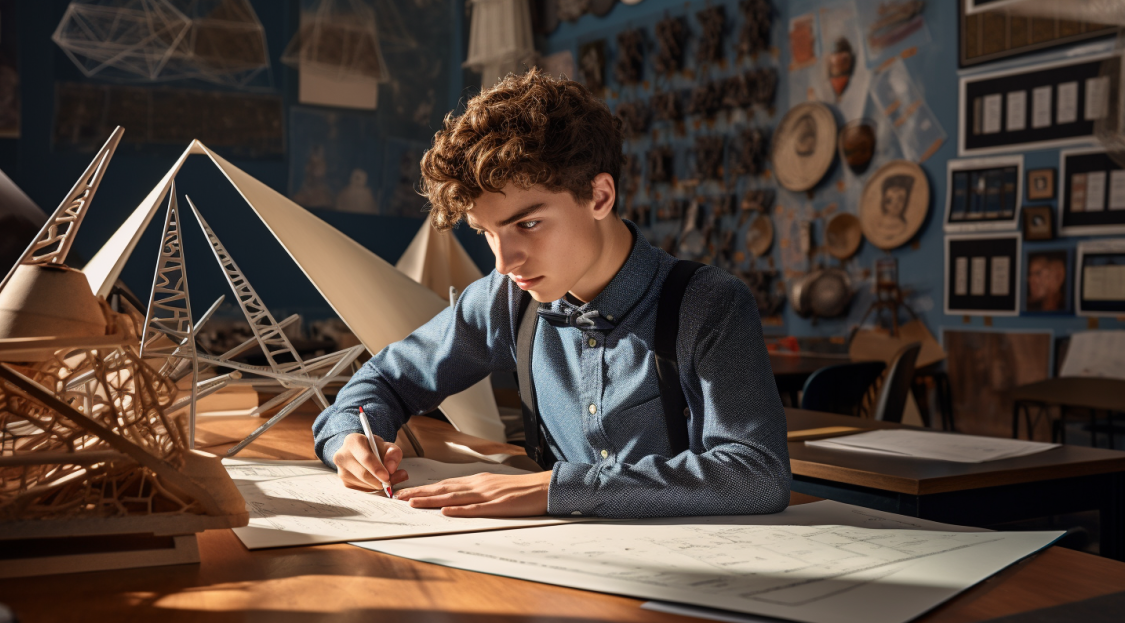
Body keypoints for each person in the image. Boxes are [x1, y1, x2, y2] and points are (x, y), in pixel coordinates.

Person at [312, 70, 790, 519]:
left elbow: (756, 473)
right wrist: (349, 437)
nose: (504, 262)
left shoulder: (708, 304)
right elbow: (383, 381)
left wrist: (553, 488)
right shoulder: (507, 300)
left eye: (529, 223)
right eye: (486, 233)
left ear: (600, 197)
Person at [873, 174, 914, 241]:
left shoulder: (903, 226)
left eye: (900, 199)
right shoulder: (879, 224)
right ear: (884, 199)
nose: (895, 203)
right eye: (890, 199)